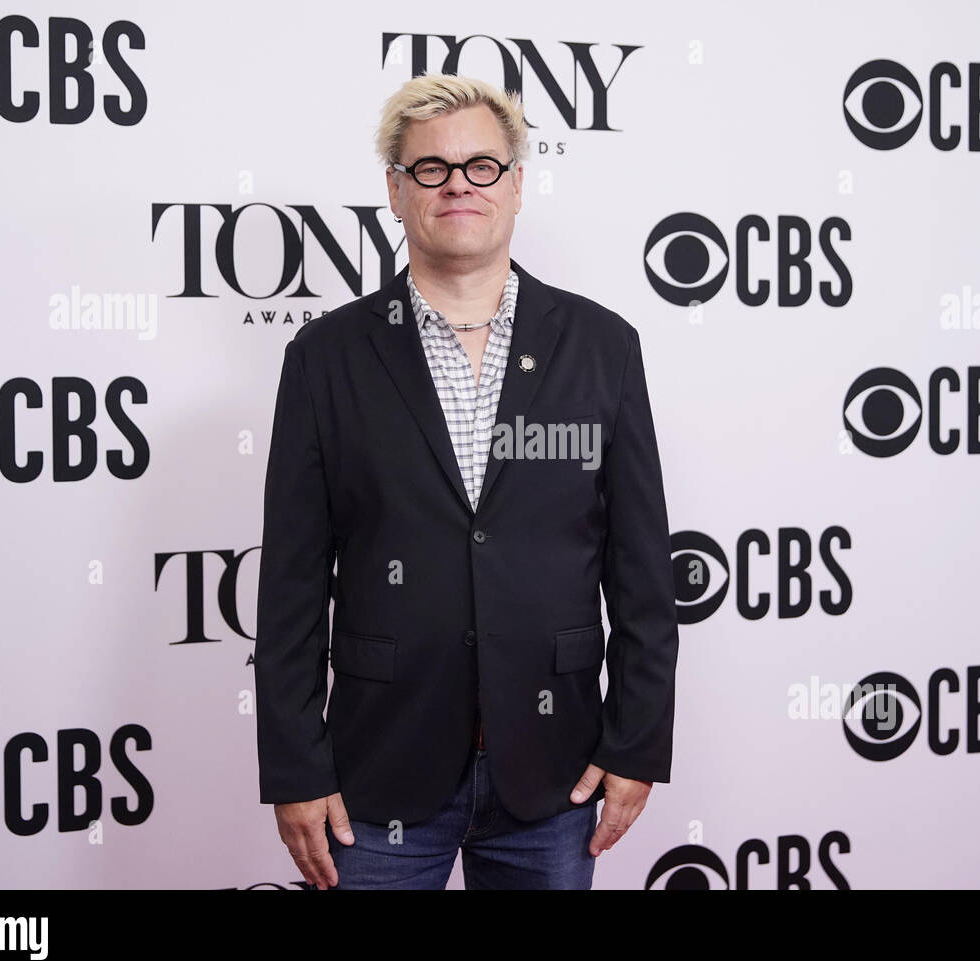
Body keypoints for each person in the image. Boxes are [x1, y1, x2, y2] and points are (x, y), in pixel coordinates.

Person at [253, 72, 678, 889]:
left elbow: (641, 572)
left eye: (482, 165)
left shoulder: (603, 347)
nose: (458, 184)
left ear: (517, 184)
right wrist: (295, 768)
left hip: (556, 770)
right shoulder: (325, 359)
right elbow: (293, 588)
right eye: (431, 168)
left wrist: (636, 742)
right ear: (395, 190)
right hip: (375, 773)